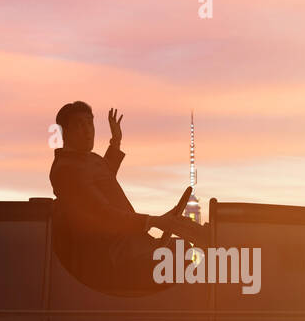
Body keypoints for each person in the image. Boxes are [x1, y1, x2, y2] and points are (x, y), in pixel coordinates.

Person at [49, 102, 206, 289]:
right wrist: (154, 221)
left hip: (128, 242)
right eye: (79, 125)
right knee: (182, 256)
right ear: (64, 132)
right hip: (114, 254)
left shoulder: (89, 159)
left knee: (183, 248)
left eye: (90, 123)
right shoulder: (66, 170)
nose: (88, 131)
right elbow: (103, 213)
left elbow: (104, 178)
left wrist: (115, 142)